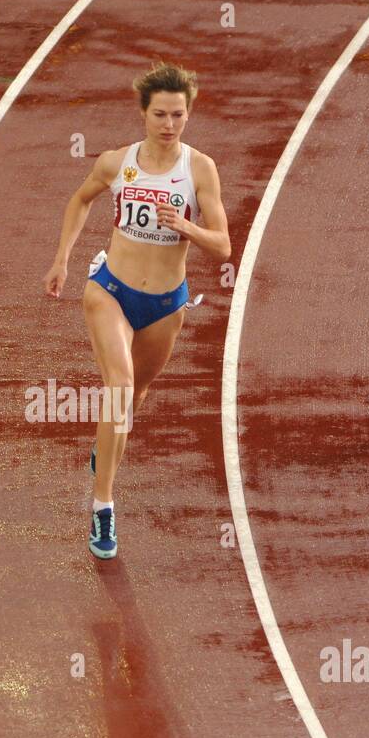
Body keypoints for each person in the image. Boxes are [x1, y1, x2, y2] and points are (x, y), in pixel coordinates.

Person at [45, 63, 230, 559]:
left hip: (167, 304)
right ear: (143, 115)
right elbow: (80, 200)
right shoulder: (117, 162)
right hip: (110, 290)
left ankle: (104, 448)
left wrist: (186, 227)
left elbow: (224, 246)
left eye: (178, 115)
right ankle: (103, 506)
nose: (169, 125)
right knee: (119, 389)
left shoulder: (199, 169)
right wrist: (63, 258)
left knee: (134, 396)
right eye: (160, 115)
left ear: (188, 115)